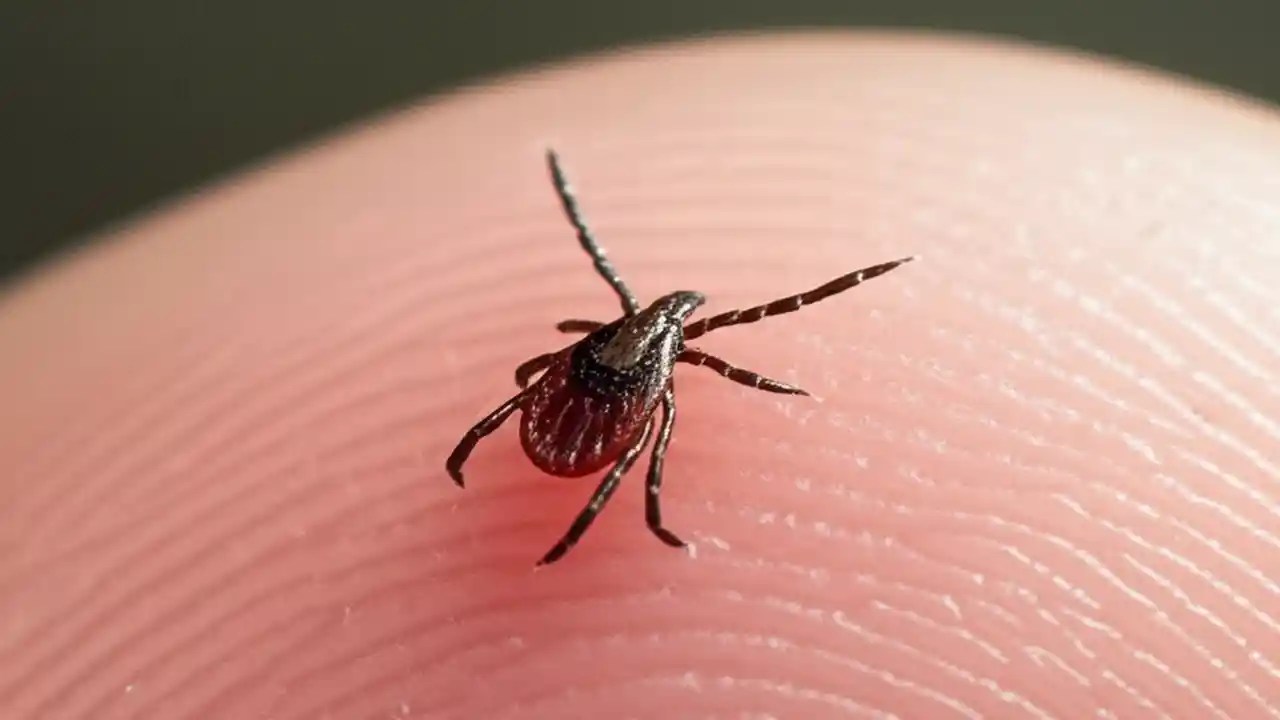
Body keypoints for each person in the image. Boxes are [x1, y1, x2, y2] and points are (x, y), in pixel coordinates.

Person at [1, 32, 1275, 719]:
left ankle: (587, 520)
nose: (662, 323)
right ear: (619, 338)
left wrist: (539, 408)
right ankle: (599, 519)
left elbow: (527, 394)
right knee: (616, 455)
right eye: (646, 321)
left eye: (655, 328)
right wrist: (575, 422)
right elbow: (544, 397)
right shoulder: (645, 373)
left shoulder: (612, 359)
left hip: (574, 412)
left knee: (574, 437)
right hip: (586, 419)